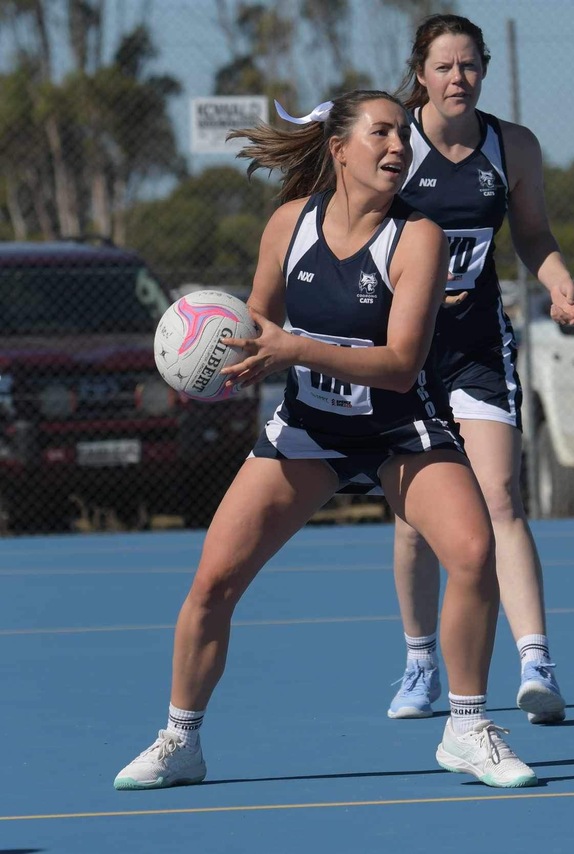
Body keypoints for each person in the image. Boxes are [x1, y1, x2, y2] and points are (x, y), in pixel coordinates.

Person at [113, 89, 537, 791]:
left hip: (401, 426)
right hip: (310, 428)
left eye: (404, 135)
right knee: (213, 581)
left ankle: (466, 727)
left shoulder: (419, 236)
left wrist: (295, 349)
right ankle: (178, 740)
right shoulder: (289, 225)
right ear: (339, 148)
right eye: (382, 133)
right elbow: (258, 321)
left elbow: (402, 365)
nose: (399, 146)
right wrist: (215, 343)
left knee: (472, 551)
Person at [386, 14, 574, 725]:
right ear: (420, 74)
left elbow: (534, 235)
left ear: (484, 71)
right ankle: (419, 662)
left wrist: (559, 279)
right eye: (443, 66)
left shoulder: (512, 147)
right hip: (402, 357)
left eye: (469, 65)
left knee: (501, 496)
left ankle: (536, 662)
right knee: (417, 522)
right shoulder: (390, 145)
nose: (458, 78)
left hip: (476, 348)